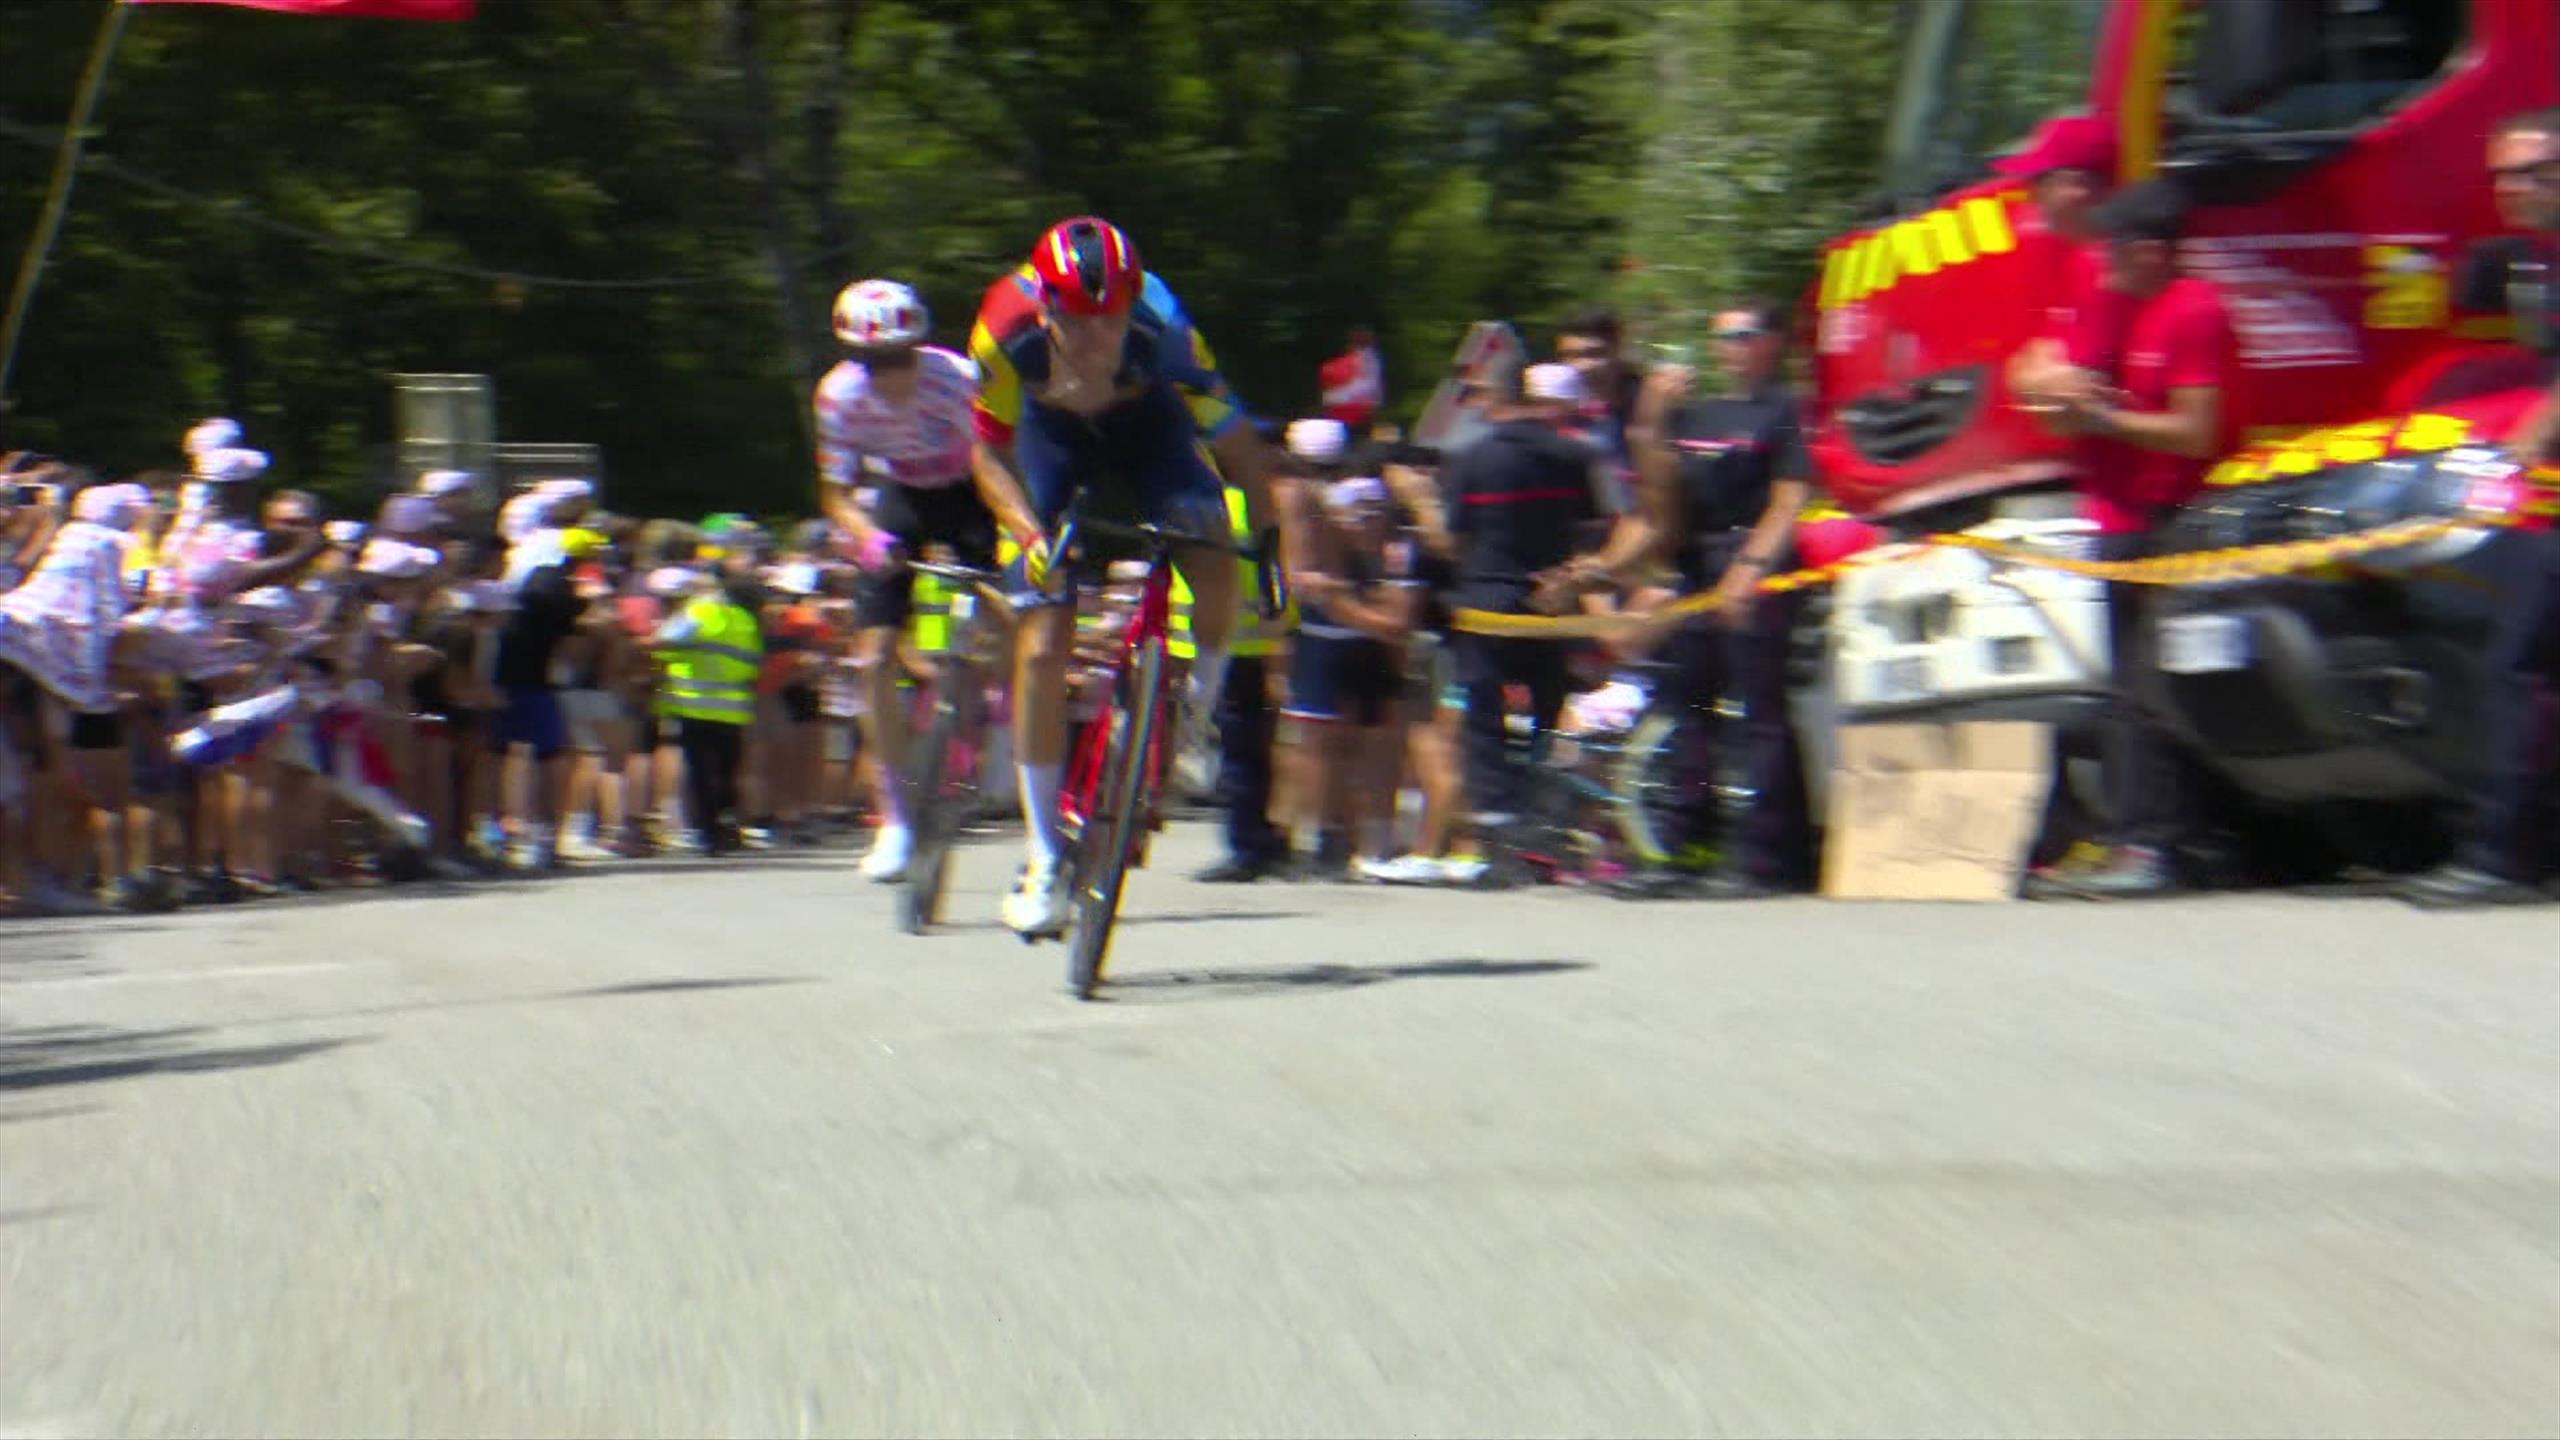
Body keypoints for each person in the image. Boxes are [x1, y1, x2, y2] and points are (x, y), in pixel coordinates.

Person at [966, 216, 1275, 936]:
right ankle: (1044, 855)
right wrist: (1027, 533)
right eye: (1075, 319)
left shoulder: (1166, 333)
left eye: (1109, 319)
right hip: (1050, 437)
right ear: (1045, 306)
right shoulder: (1002, 330)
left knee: (1215, 551)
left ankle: (1198, 707)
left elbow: (1243, 452)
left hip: (1150, 426)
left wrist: (1268, 544)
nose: (1094, 337)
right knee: (1042, 643)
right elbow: (986, 454)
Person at [2027, 179, 2232, 899]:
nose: (2100, 256)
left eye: (2114, 245)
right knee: (2124, 692)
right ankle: (2135, 837)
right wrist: (2074, 403)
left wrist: (2106, 423)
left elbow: (2195, 430)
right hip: (2119, 520)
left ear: (2150, 252)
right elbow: (2042, 374)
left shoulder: (2193, 309)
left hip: (2168, 520)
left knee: (2149, 692)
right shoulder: (2128, 306)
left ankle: (2157, 845)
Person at [1599, 297, 1817, 899]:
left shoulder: (1784, 408)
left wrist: (1748, 569)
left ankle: (1770, 856)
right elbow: (1658, 492)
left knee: (1760, 711)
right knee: (1685, 706)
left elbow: (1790, 496)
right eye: (1722, 337)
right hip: (1697, 565)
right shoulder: (1697, 414)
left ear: (1772, 341)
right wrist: (1652, 414)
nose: (1731, 348)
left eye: (1744, 335)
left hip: (1756, 561)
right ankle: (1683, 844)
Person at [2403, 109, 2560, 907]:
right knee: (2524, 663)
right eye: (2502, 173)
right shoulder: (2538, 262)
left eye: (2531, 170)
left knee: (2515, 666)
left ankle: (2504, 856)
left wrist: (2524, 442)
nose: (2512, 188)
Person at [813, 278, 992, 882]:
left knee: (1018, 610)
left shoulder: (957, 377)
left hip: (974, 490)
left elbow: (1007, 456)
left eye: (900, 355)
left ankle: (995, 702)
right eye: (873, 361)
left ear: (920, 344)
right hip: (901, 498)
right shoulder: (837, 397)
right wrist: (869, 538)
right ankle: (894, 814)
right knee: (872, 660)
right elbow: (837, 494)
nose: (889, 372)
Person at [1440, 358, 1628, 886]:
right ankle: (1550, 830)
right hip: (1553, 601)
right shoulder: (1577, 455)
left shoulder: (1473, 457)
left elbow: (1455, 537)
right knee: (1551, 714)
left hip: (1487, 601)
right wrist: (1573, 576)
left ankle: (1499, 840)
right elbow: (1598, 528)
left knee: (1484, 725)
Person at [1277, 423, 1423, 878]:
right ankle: (1351, 839)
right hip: (1351, 626)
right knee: (1361, 741)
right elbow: (1313, 577)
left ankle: (1331, 838)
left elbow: (1306, 577)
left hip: (1332, 629)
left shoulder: (1296, 493)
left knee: (1328, 744)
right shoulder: (1341, 494)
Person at [2001, 115, 2130, 411]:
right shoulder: (2080, 258)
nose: (2031, 196)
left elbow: (2071, 409)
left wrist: (2024, 378)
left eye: (2040, 182)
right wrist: (2030, 375)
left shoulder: (2105, 264)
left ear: (2080, 188)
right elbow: (2045, 350)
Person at [651, 568, 763, 856]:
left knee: (699, 771)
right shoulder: (744, 619)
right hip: (732, 708)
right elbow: (753, 663)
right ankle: (728, 825)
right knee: (727, 771)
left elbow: (662, 643)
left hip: (693, 704)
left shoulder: (695, 613)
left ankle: (706, 831)